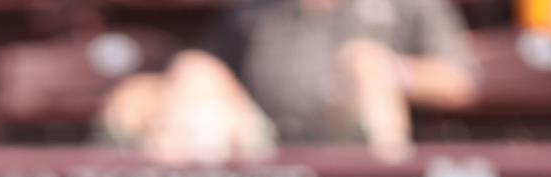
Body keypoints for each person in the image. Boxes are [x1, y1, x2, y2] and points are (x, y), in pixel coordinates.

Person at [103, 0, 476, 160]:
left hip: (360, 147)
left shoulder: (410, 4)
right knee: (189, 69)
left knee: (367, 70)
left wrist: (392, 70)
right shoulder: (256, 8)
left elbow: (461, 80)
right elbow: (212, 74)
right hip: (267, 149)